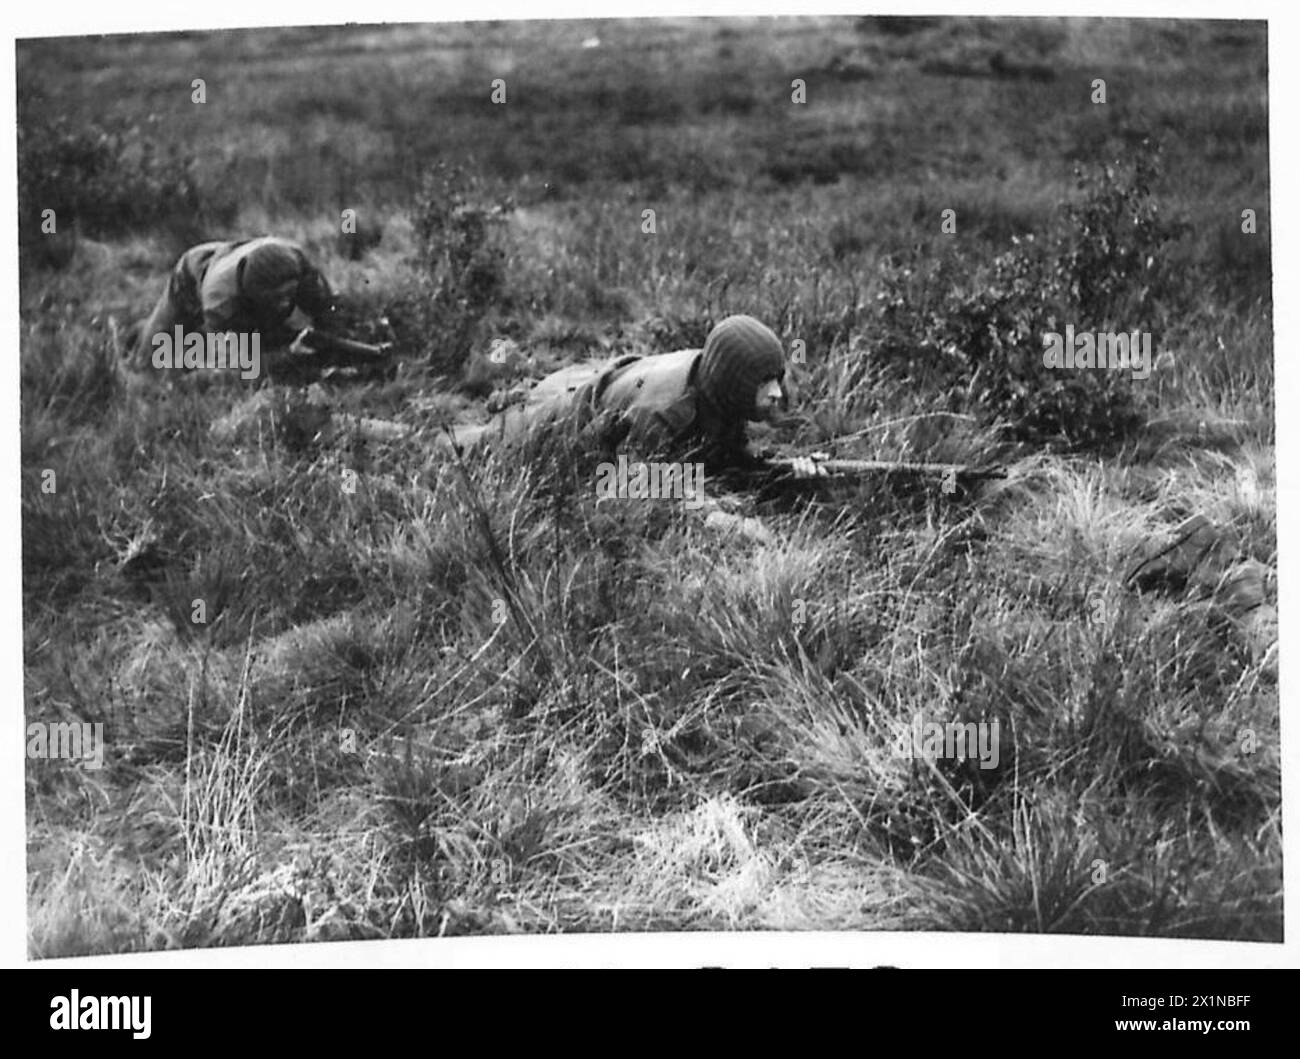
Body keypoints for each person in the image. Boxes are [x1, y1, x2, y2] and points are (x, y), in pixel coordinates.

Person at [450, 314, 824, 479]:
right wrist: (719, 515)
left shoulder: (720, 387)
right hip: (562, 423)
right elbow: (640, 485)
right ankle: (410, 438)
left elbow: (727, 452)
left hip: (611, 385)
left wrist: (786, 468)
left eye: (777, 378)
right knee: (466, 447)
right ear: (732, 380)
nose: (776, 393)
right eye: (763, 383)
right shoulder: (663, 413)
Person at [132, 235, 336, 370]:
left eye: (289, 293)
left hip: (230, 254)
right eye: (275, 298)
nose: (284, 303)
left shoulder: (300, 264)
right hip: (191, 274)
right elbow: (231, 367)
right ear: (254, 296)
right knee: (154, 357)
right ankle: (135, 334)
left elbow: (329, 313)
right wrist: (287, 355)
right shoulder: (220, 303)